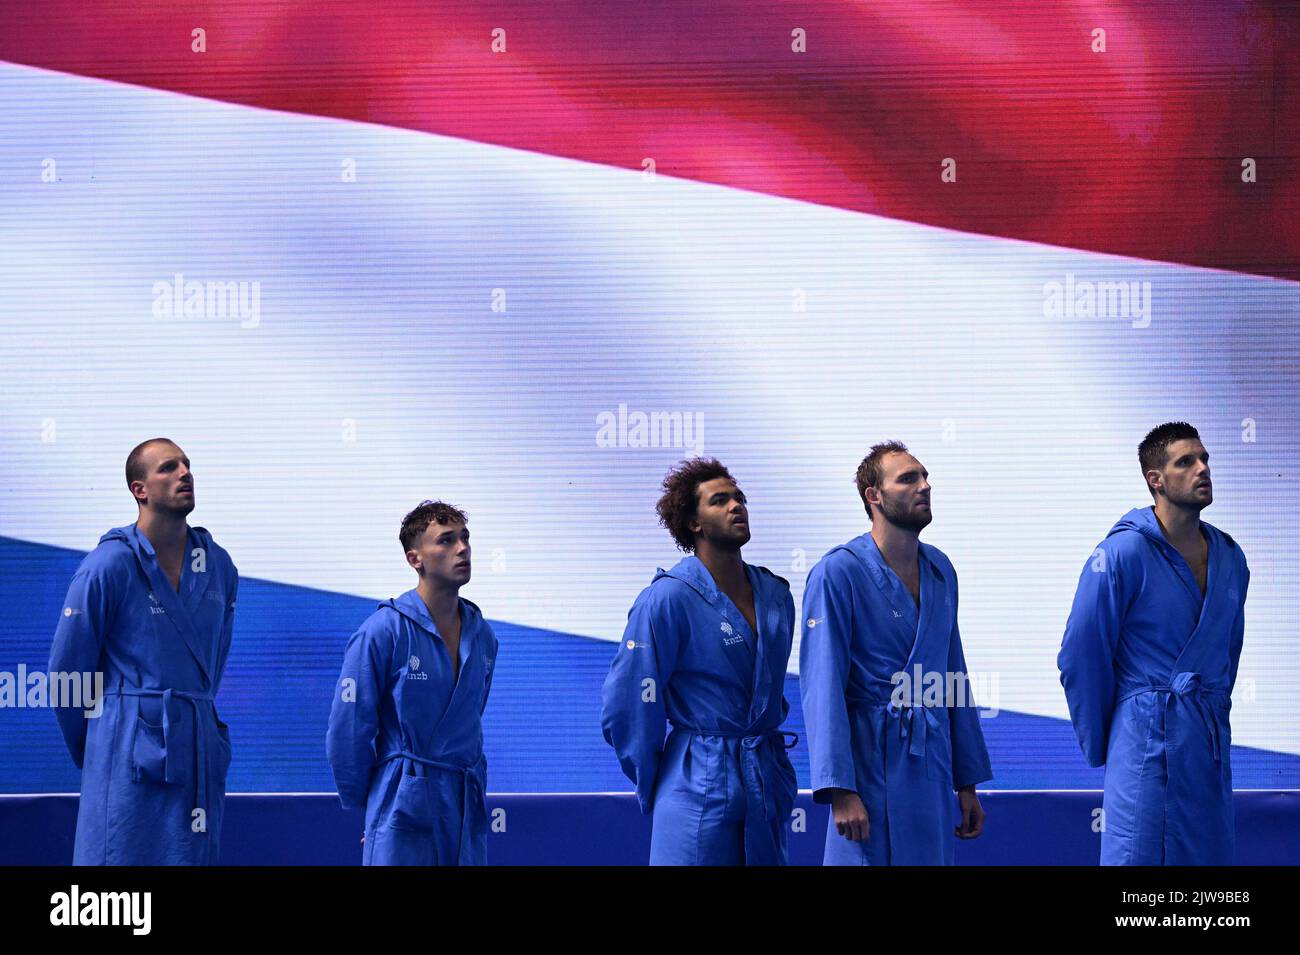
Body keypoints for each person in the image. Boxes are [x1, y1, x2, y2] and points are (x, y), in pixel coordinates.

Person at [1059, 422, 1249, 865]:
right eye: (1186, 462)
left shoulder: (1231, 557)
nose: (1202, 469)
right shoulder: (1121, 554)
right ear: (1155, 479)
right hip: (1144, 739)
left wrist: (1211, 708)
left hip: (1206, 743)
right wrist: (1116, 736)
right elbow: (1080, 655)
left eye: (1204, 459)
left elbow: (1227, 653)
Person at [800, 441, 991, 865]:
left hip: (929, 766)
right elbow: (821, 687)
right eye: (908, 479)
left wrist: (967, 781)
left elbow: (951, 672)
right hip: (868, 766)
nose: (924, 486)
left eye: (925, 477)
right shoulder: (837, 572)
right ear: (874, 495)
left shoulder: (941, 569)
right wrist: (841, 790)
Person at [49, 438, 238, 865]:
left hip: (195, 749)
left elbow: (211, 664)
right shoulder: (108, 565)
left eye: (186, 465)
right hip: (124, 750)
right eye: (168, 468)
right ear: (140, 489)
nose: (184, 473)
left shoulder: (219, 566)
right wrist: (103, 745)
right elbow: (66, 675)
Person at [601, 458, 798, 865]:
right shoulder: (667, 599)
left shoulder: (777, 594)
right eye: (719, 501)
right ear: (694, 523)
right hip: (695, 782)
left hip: (763, 778)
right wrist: (666, 777)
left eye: (739, 498)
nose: (736, 506)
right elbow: (628, 705)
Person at [327, 501, 498, 865]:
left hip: (463, 802)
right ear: (415, 559)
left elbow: (468, 718)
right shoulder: (382, 631)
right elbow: (348, 730)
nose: (463, 548)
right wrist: (372, 807)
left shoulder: (483, 635)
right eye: (446, 540)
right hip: (401, 800)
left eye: (465, 538)